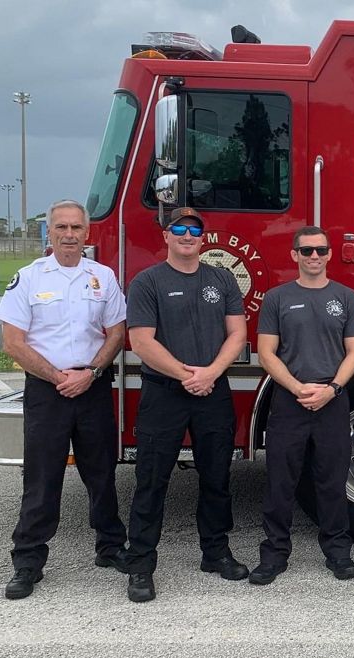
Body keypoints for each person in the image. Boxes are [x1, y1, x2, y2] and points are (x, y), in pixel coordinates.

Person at [0, 199, 128, 600]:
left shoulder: (103, 276)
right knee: (42, 476)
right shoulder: (28, 278)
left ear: (87, 233)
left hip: (92, 386)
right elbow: (12, 342)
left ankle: (110, 546)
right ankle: (28, 560)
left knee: (101, 471)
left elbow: (116, 333)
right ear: (49, 232)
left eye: (76, 228)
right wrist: (57, 377)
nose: (69, 235)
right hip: (47, 390)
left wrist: (91, 373)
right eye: (61, 227)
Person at [123, 207, 250, 602]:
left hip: (213, 390)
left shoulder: (222, 279)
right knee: (151, 479)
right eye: (179, 228)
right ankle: (140, 564)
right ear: (166, 235)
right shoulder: (148, 281)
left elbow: (237, 333)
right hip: (164, 393)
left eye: (195, 230)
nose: (187, 235)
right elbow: (141, 341)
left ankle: (216, 553)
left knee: (217, 477)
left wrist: (211, 373)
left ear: (202, 238)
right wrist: (187, 376)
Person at [250, 226, 354, 585]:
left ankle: (338, 553)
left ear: (329, 254)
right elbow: (266, 352)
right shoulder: (277, 298)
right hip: (289, 399)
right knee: (280, 482)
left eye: (321, 250)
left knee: (332, 481)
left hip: (333, 400)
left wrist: (332, 389)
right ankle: (274, 554)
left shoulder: (347, 297)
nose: (314, 256)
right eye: (306, 250)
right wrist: (298, 388)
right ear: (294, 255)